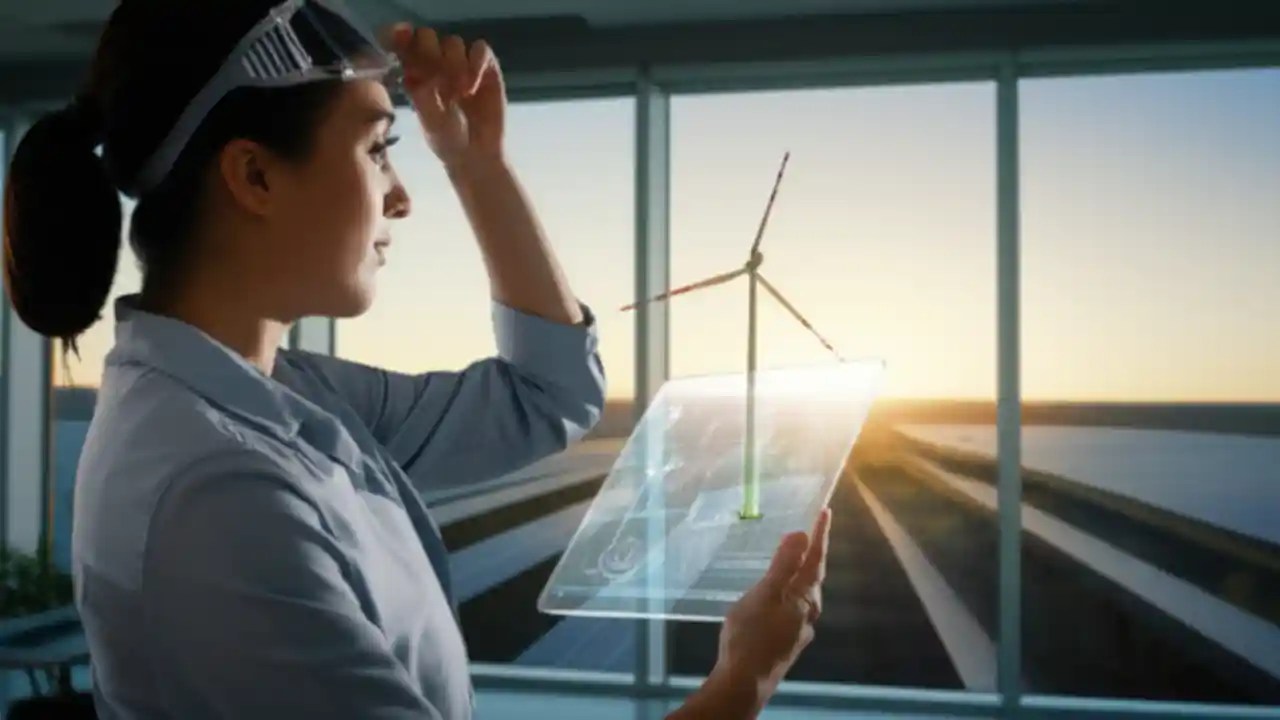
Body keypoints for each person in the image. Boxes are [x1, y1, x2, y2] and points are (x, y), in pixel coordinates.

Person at [2, 1, 831, 718]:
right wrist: (741, 683)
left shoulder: (288, 396)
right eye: (375, 149)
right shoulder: (216, 499)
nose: (401, 194)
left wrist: (478, 161)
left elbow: (548, 396)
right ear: (254, 175)